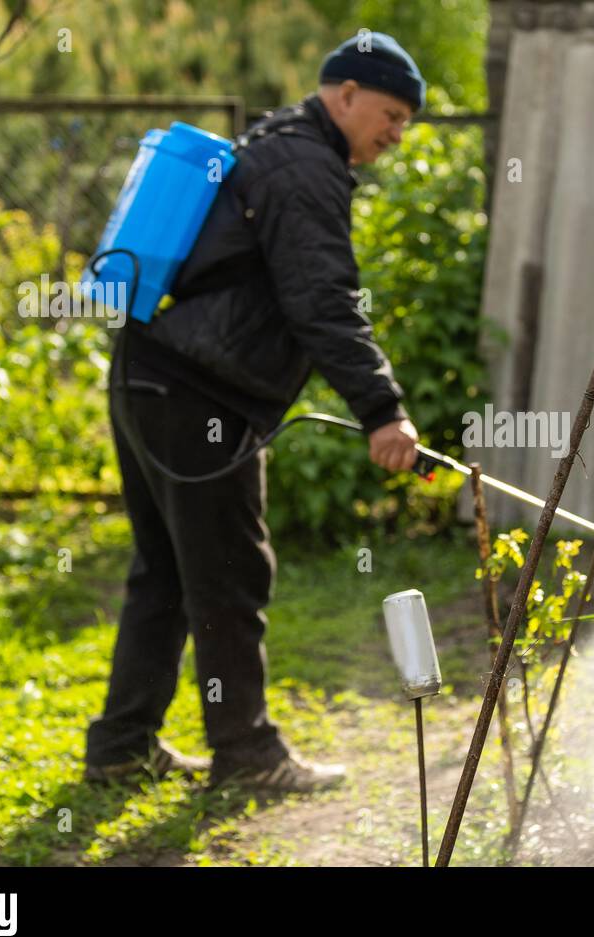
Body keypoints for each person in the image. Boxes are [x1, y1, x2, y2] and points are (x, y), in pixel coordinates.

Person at [83, 32, 424, 792]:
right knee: (230, 572)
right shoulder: (307, 166)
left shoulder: (275, 142)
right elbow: (322, 300)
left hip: (150, 373)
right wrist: (382, 409)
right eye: (391, 114)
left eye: (406, 121)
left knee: (166, 572)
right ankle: (245, 752)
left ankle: (121, 745)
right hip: (199, 391)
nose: (396, 133)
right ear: (344, 94)